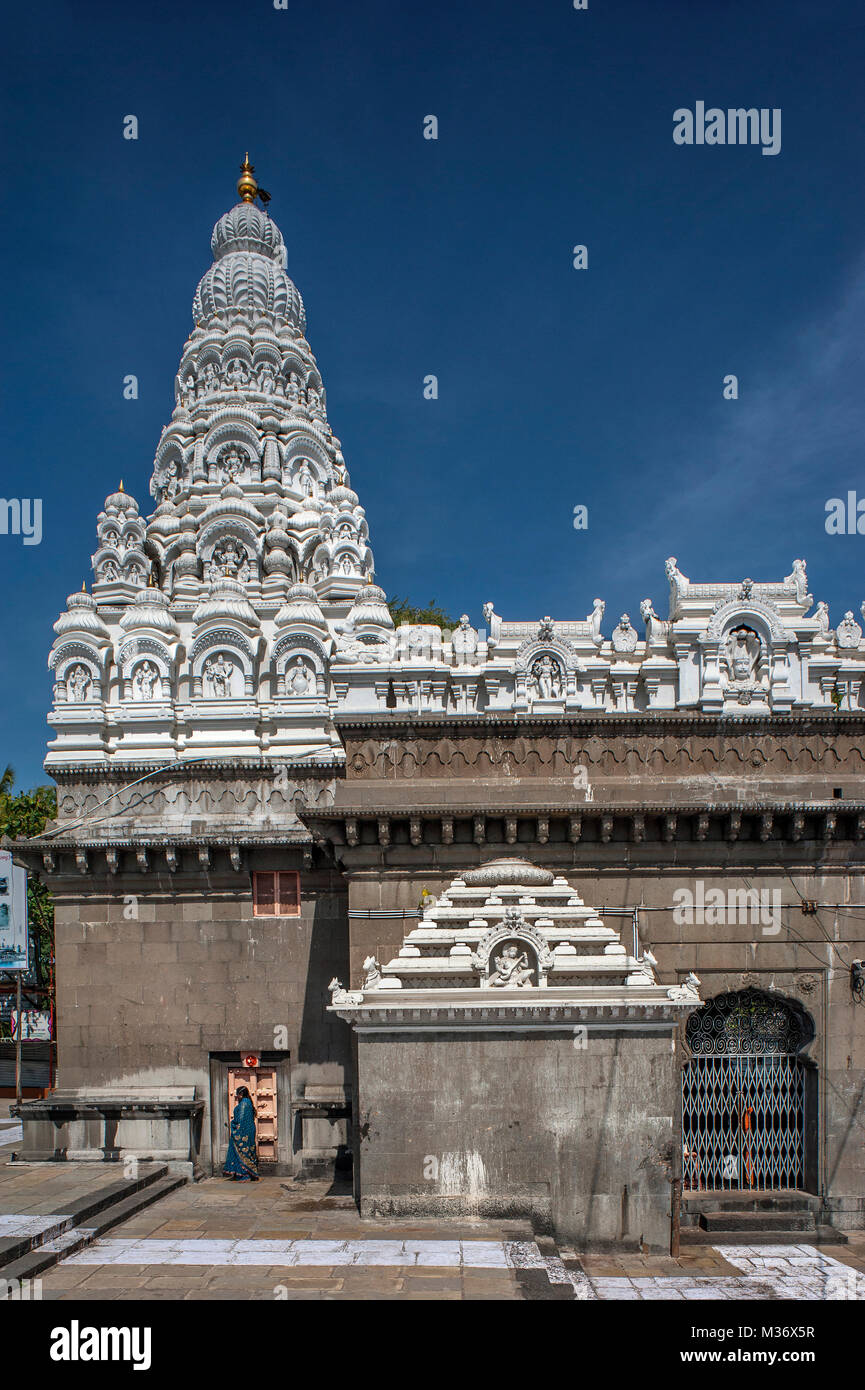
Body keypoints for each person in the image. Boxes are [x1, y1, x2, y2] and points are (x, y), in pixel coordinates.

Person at [223, 1085, 259, 1181]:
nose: (236, 1097)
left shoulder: (244, 1104)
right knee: (248, 1150)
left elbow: (241, 1119)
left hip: (243, 1131)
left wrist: (233, 1124)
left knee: (242, 1151)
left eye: (237, 1095)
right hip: (249, 1130)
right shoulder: (248, 1102)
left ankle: (244, 1174)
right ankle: (247, 1173)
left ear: (241, 1094)